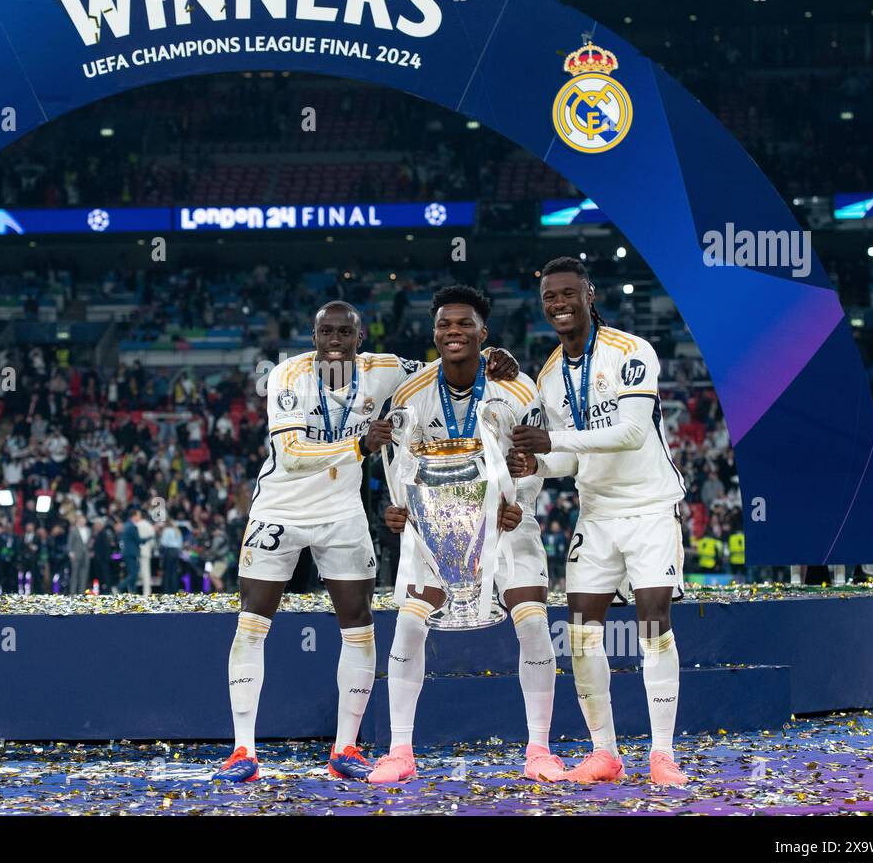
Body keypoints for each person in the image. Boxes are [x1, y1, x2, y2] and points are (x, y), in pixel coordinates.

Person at [214, 299, 520, 783]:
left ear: (361, 339)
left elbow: (449, 362)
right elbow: (292, 454)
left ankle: (346, 748)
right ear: (313, 338)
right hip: (280, 507)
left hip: (342, 512)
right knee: (253, 621)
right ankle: (242, 750)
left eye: (344, 334)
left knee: (358, 623)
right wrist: (359, 445)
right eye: (325, 334)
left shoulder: (387, 371)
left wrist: (494, 357)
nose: (334, 343)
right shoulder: (287, 377)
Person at [367, 285, 563, 784]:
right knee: (409, 626)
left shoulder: (516, 387)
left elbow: (533, 460)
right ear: (434, 333)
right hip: (435, 528)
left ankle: (538, 749)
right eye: (444, 325)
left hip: (504, 521)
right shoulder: (411, 392)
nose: (453, 332)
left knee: (534, 623)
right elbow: (400, 463)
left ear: (483, 332)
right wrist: (399, 510)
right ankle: (400, 751)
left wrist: (521, 500)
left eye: (463, 324)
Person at [511, 256, 689, 786]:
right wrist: (537, 462)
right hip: (598, 512)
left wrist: (554, 442)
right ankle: (605, 752)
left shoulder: (632, 351)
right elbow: (569, 460)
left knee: (653, 619)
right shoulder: (548, 375)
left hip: (650, 505)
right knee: (583, 631)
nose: (559, 304)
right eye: (549, 297)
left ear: (589, 295)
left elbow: (633, 433)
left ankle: (662, 754)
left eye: (568, 293)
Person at [119, 512, 142, 593]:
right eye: (139, 516)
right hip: (131, 553)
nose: (140, 518)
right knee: (133, 574)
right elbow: (139, 540)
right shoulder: (132, 527)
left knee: (132, 574)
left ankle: (133, 591)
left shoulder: (127, 525)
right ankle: (120, 586)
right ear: (134, 516)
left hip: (127, 553)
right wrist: (150, 537)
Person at [68, 514, 91, 595]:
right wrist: (71, 554)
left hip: (86, 555)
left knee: (84, 575)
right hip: (76, 555)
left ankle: (81, 593)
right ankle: (73, 593)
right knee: (75, 575)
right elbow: (70, 543)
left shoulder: (88, 530)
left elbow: (88, 542)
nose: (83, 521)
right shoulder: (74, 530)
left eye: (84, 519)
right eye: (81, 519)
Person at [91, 516, 114, 592]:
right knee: (100, 576)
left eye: (96, 525)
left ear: (100, 525)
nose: (94, 526)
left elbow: (106, 547)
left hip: (103, 559)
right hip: (98, 559)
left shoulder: (104, 534)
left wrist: (106, 557)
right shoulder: (96, 534)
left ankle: (108, 590)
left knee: (105, 575)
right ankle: (102, 590)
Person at [159, 520, 182, 593]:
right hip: (176, 552)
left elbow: (163, 542)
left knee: (167, 571)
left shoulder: (167, 530)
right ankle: (174, 589)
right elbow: (180, 544)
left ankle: (166, 590)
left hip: (169, 552)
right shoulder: (177, 531)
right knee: (174, 572)